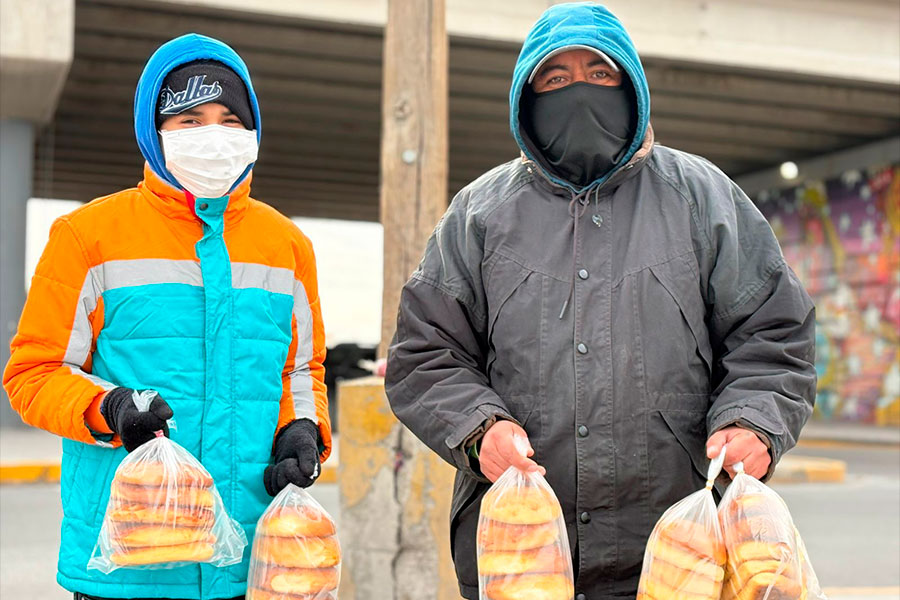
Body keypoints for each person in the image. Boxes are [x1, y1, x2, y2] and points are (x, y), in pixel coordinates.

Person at [385, 3, 816, 598]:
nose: (579, 91)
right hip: (522, 557)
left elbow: (772, 333)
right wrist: (478, 429)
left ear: (631, 88)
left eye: (599, 73)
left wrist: (753, 422)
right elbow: (426, 353)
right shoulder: (479, 215)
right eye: (556, 79)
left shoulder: (703, 199)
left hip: (683, 559)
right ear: (526, 98)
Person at [3, 34, 330, 600]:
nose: (213, 136)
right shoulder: (88, 237)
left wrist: (302, 428)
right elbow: (33, 374)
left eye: (230, 120)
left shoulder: (287, 245)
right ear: (154, 133)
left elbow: (300, 370)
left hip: (250, 557)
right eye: (190, 121)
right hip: (128, 557)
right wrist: (108, 408)